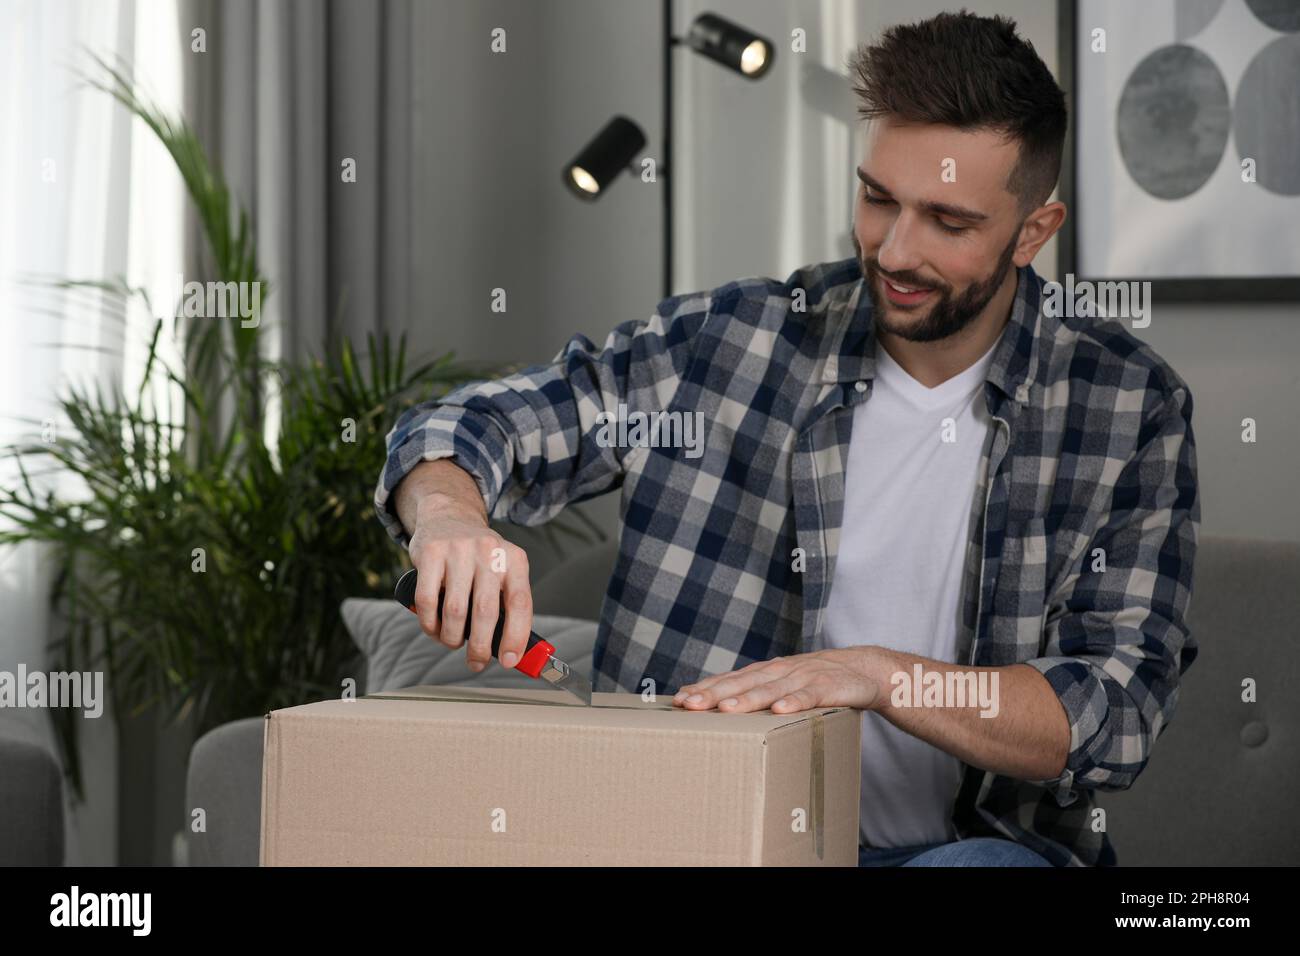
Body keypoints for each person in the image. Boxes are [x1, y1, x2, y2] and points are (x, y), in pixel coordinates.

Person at [374, 11, 1199, 867]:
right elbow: (474, 425)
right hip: (704, 840)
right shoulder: (725, 343)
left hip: (970, 852)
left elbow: (1114, 708)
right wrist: (447, 517)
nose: (895, 250)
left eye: (948, 222)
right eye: (878, 197)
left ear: (1034, 229)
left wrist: (882, 678)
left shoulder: (1128, 408)